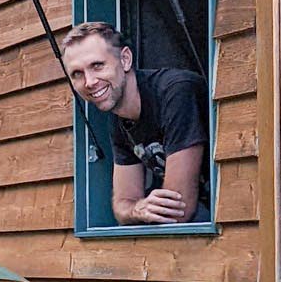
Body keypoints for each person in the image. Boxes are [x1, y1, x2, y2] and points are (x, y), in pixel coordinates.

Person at [59, 21, 209, 226]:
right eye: (77, 73)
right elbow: (122, 205)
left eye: (97, 65)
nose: (90, 82)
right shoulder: (118, 117)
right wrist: (137, 209)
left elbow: (177, 209)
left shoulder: (175, 91)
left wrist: (137, 208)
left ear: (125, 59)